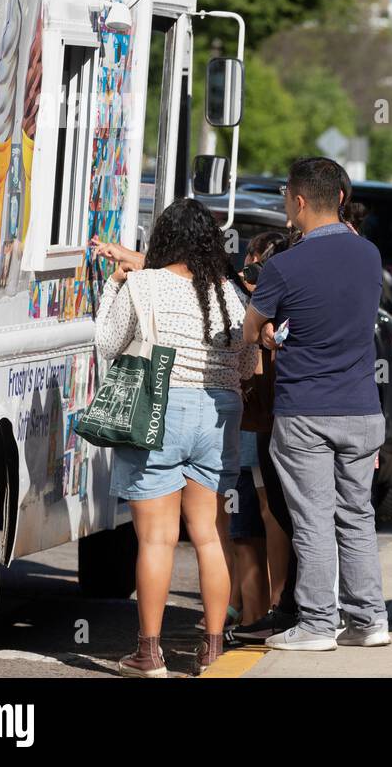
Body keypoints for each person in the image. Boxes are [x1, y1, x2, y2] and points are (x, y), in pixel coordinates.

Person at [92, 198, 256, 677]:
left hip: (160, 409)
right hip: (219, 414)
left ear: (163, 239)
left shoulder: (143, 284)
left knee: (158, 539)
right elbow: (245, 365)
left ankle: (149, 653)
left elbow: (107, 343)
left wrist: (113, 285)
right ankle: (212, 649)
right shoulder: (229, 294)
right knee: (207, 535)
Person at [243, 157, 391, 651]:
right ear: (341, 199)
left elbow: (251, 329)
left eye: (287, 197)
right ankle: (370, 620)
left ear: (300, 201)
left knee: (312, 519)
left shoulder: (283, 265)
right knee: (357, 515)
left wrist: (269, 334)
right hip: (362, 409)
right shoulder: (370, 255)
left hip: (305, 409)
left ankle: (317, 624)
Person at [231, 231, 299, 643]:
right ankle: (266, 609)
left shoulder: (285, 292)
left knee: (276, 512)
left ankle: (279, 606)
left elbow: (251, 333)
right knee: (267, 511)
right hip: (269, 416)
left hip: (277, 415)